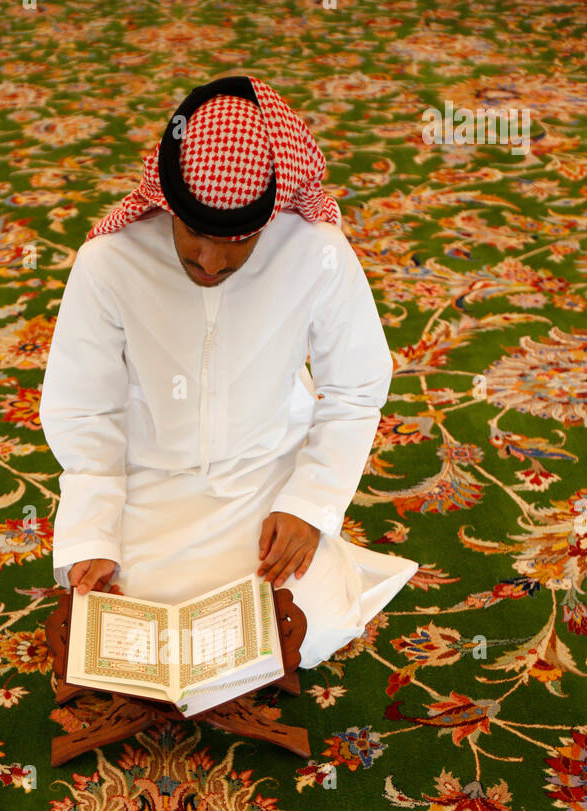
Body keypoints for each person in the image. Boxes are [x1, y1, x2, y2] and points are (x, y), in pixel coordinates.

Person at [40, 74, 419, 668]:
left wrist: (308, 504)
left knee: (303, 629)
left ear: (268, 217)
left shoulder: (315, 252)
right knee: (122, 631)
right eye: (193, 233)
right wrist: (94, 530)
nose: (211, 262)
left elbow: (355, 389)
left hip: (264, 487)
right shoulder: (110, 262)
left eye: (237, 240)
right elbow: (84, 407)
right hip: (147, 488)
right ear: (167, 201)